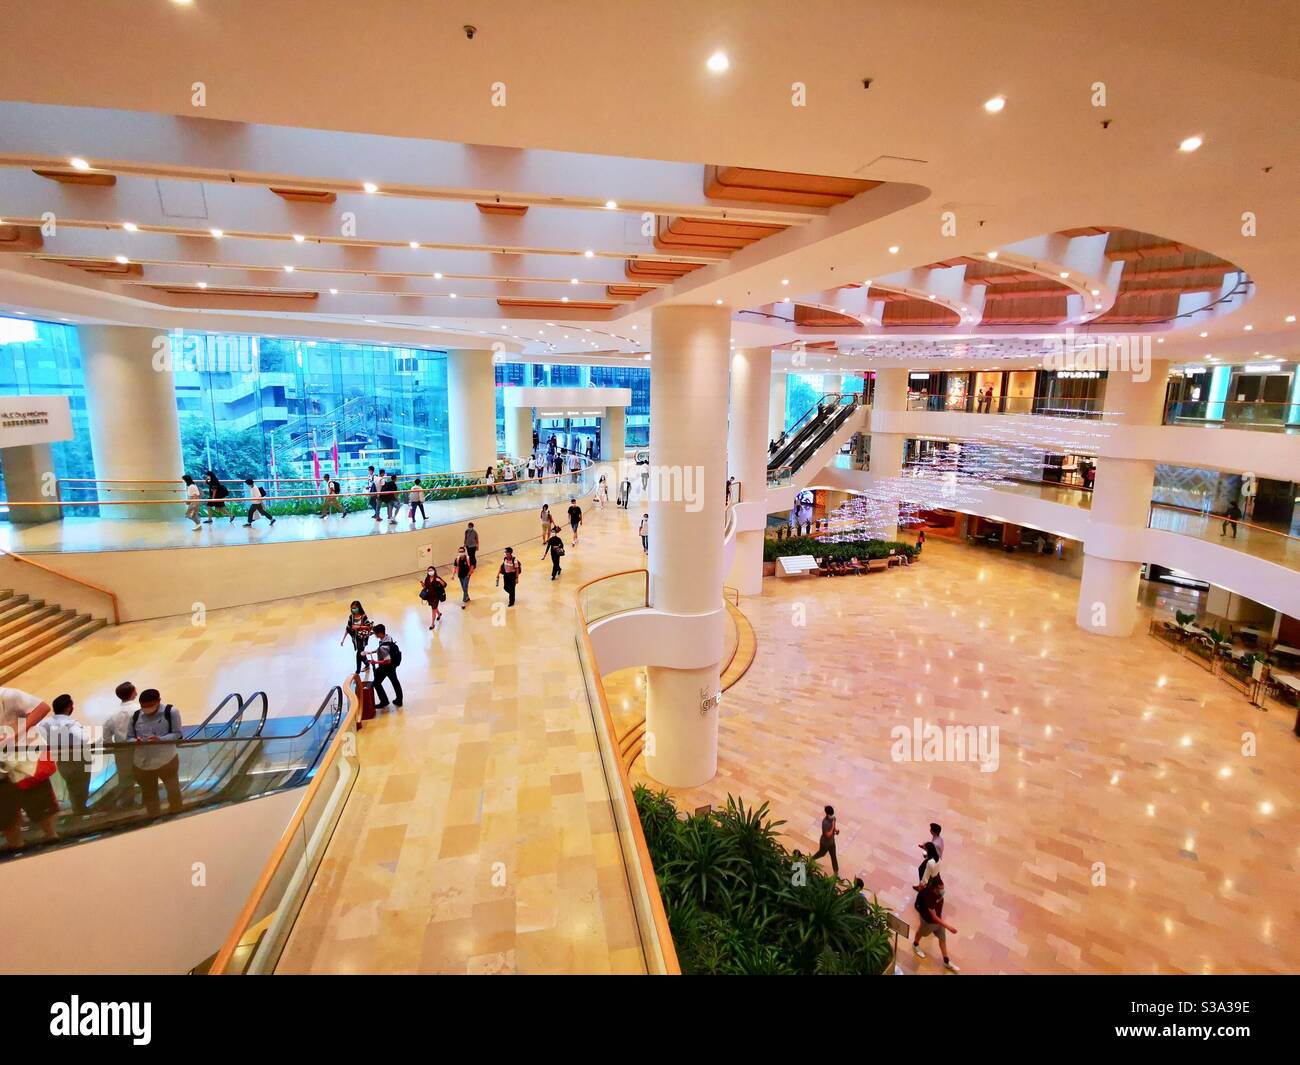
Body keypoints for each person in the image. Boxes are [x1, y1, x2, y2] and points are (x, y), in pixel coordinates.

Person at [0, 686, 57, 846]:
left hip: (25, 764)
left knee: (41, 810)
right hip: (3, 771)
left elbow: (42, 708)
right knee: (7, 818)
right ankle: (16, 849)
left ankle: (52, 840)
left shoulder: (7, 695)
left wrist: (16, 733)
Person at [129, 689, 184, 817]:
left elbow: (178, 734)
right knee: (149, 794)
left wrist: (161, 739)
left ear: (159, 701)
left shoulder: (171, 712)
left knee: (173, 791)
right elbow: (128, 737)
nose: (146, 709)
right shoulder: (136, 715)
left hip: (167, 761)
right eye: (143, 706)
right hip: (142, 763)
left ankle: (177, 816)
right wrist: (134, 741)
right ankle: (154, 819)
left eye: (150, 706)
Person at [42, 693, 91, 814]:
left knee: (71, 784)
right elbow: (83, 739)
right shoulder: (70, 724)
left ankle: (76, 808)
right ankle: (80, 809)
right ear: (69, 708)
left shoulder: (46, 723)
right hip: (78, 759)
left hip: (61, 759)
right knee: (81, 786)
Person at [912, 874, 960, 972]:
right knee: (921, 932)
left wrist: (941, 921)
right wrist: (948, 926)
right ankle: (915, 944)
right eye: (940, 888)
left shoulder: (938, 894)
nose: (943, 890)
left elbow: (938, 909)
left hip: (938, 920)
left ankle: (946, 961)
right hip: (928, 921)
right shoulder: (929, 896)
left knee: (942, 938)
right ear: (934, 888)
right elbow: (933, 917)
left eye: (943, 888)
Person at [103, 681, 138, 808]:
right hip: (141, 749)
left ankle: (128, 805)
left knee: (125, 780)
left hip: (121, 752)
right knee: (147, 777)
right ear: (133, 692)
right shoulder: (139, 710)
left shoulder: (111, 714)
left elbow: (106, 738)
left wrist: (115, 750)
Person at [370, 624, 403, 709]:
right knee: (395, 682)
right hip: (393, 665)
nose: (375, 635)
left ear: (380, 633)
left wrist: (375, 662)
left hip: (385, 667)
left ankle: (384, 701)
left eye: (376, 634)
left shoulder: (383, 647)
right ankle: (399, 700)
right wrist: (372, 652)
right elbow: (384, 649)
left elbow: (387, 660)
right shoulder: (388, 637)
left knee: (376, 683)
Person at [340, 600, 373, 673]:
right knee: (361, 654)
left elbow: (369, 627)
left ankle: (357, 672)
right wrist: (343, 639)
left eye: (355, 608)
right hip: (355, 640)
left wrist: (358, 627)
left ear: (359, 607)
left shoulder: (364, 616)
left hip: (363, 639)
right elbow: (348, 628)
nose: (354, 610)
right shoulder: (351, 617)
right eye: (352, 608)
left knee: (358, 654)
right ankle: (367, 664)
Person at [810, 804, 840, 876]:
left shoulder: (833, 818)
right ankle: (811, 859)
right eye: (830, 814)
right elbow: (828, 835)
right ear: (826, 813)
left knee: (833, 856)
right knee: (821, 853)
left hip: (832, 842)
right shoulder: (825, 822)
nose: (831, 816)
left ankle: (836, 871)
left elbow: (833, 829)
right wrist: (833, 826)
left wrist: (836, 830)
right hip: (825, 843)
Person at [421, 564, 447, 629]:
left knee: (433, 609)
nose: (430, 571)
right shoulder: (427, 579)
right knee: (434, 607)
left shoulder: (437, 578)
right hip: (430, 596)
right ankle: (439, 614)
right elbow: (425, 587)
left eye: (431, 570)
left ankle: (432, 624)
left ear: (434, 571)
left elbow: (445, 585)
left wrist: (440, 581)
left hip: (436, 596)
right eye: (429, 571)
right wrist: (422, 584)